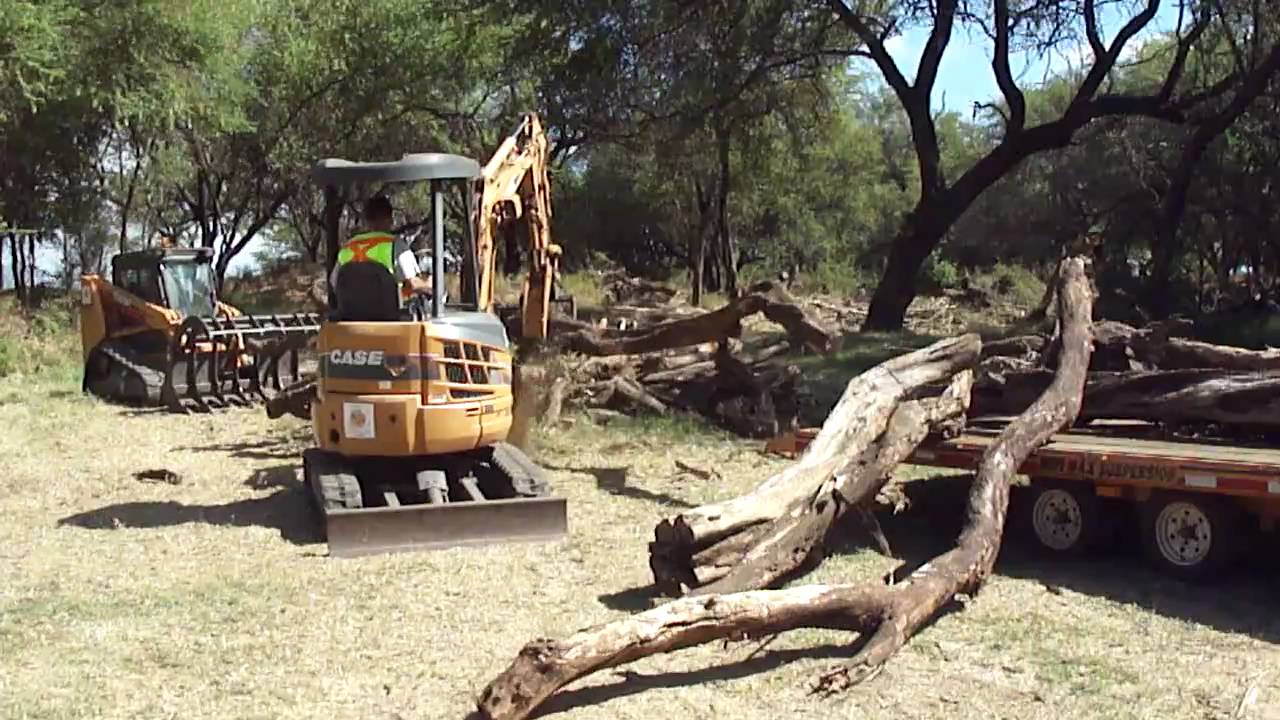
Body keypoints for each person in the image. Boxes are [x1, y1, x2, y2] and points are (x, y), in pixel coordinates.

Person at [330, 195, 432, 305]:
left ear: (366, 220)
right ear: (389, 218)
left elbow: (334, 283)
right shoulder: (395, 245)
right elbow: (413, 284)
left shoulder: (347, 247)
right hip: (387, 317)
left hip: (351, 316)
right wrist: (430, 285)